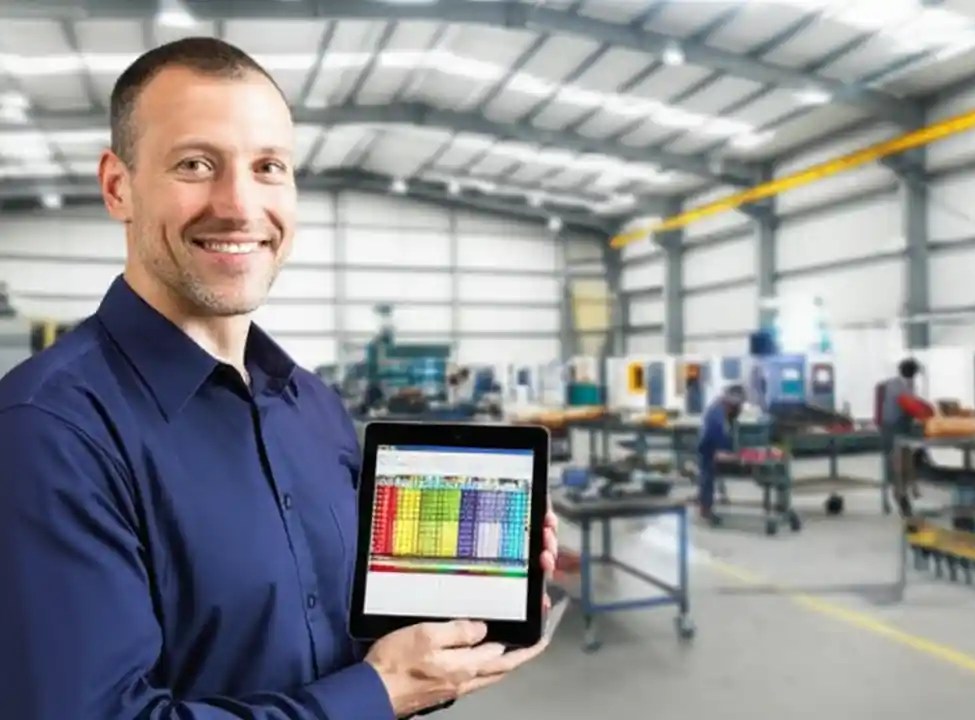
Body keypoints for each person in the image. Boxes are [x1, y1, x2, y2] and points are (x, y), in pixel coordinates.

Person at [0, 37, 558, 719]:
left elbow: (350, 645)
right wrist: (375, 695)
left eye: (268, 166)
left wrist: (461, 602)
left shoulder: (313, 408)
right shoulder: (49, 432)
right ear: (119, 186)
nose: (239, 205)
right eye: (196, 164)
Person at [878, 358, 928, 514]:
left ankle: (908, 489)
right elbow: (908, 404)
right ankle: (899, 495)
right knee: (897, 462)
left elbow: (913, 403)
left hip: (904, 426)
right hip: (892, 427)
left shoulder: (906, 384)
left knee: (906, 460)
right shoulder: (896, 386)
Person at [695, 384, 747, 523]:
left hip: (712, 448)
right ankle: (705, 509)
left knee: (707, 478)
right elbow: (716, 441)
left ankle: (705, 505)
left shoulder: (720, 410)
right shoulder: (716, 415)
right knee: (707, 477)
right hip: (708, 449)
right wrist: (731, 456)